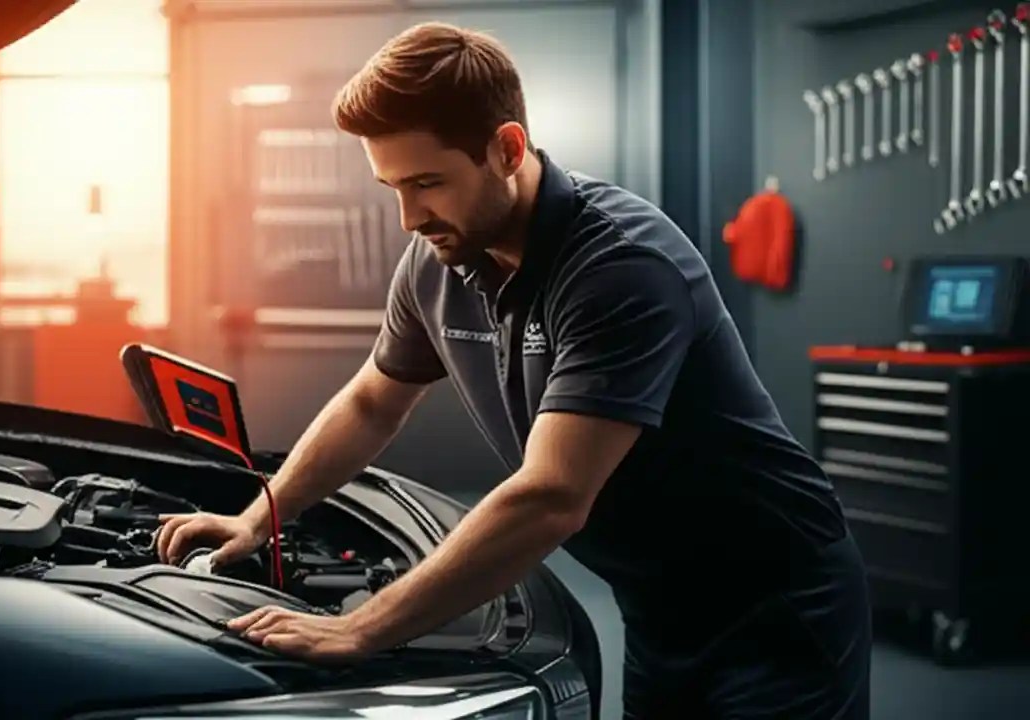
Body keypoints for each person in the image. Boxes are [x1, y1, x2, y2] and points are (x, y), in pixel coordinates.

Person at [156, 21, 872, 719]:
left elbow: (551, 496)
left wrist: (362, 627)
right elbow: (374, 401)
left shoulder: (621, 268)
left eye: (428, 182)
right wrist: (260, 518)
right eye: (393, 187)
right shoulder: (441, 257)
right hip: (660, 607)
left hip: (777, 603)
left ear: (506, 148)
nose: (409, 216)